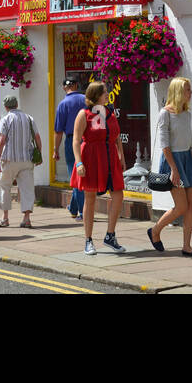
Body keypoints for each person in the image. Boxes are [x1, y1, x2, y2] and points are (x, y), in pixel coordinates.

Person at [148, 76, 192, 257]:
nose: (191, 93)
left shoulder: (187, 114)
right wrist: (174, 169)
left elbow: (190, 145)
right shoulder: (165, 113)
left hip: (188, 160)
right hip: (173, 162)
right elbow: (164, 146)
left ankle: (187, 246)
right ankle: (155, 230)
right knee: (181, 207)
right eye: (187, 89)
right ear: (178, 91)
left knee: (190, 206)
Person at [70, 81, 126, 255]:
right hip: (91, 158)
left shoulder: (108, 113)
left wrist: (121, 156)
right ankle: (88, 240)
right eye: (104, 92)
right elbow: (76, 140)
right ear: (96, 95)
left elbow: (116, 137)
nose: (107, 94)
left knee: (118, 195)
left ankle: (110, 235)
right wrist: (79, 162)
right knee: (90, 198)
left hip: (110, 157)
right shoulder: (84, 114)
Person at [0, 95, 41, 229]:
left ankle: (5, 218)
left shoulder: (6, 119)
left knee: (4, 186)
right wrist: (39, 154)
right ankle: (26, 219)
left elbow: (1, 140)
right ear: (16, 105)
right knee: (27, 189)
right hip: (27, 159)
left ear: (6, 106)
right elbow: (37, 137)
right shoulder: (29, 118)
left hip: (10, 159)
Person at [53, 76, 88, 219]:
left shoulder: (63, 104)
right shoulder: (86, 99)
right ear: (76, 85)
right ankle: (74, 208)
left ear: (64, 87)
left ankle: (81, 211)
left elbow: (58, 131)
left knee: (75, 176)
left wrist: (55, 149)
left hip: (71, 140)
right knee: (81, 174)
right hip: (87, 140)